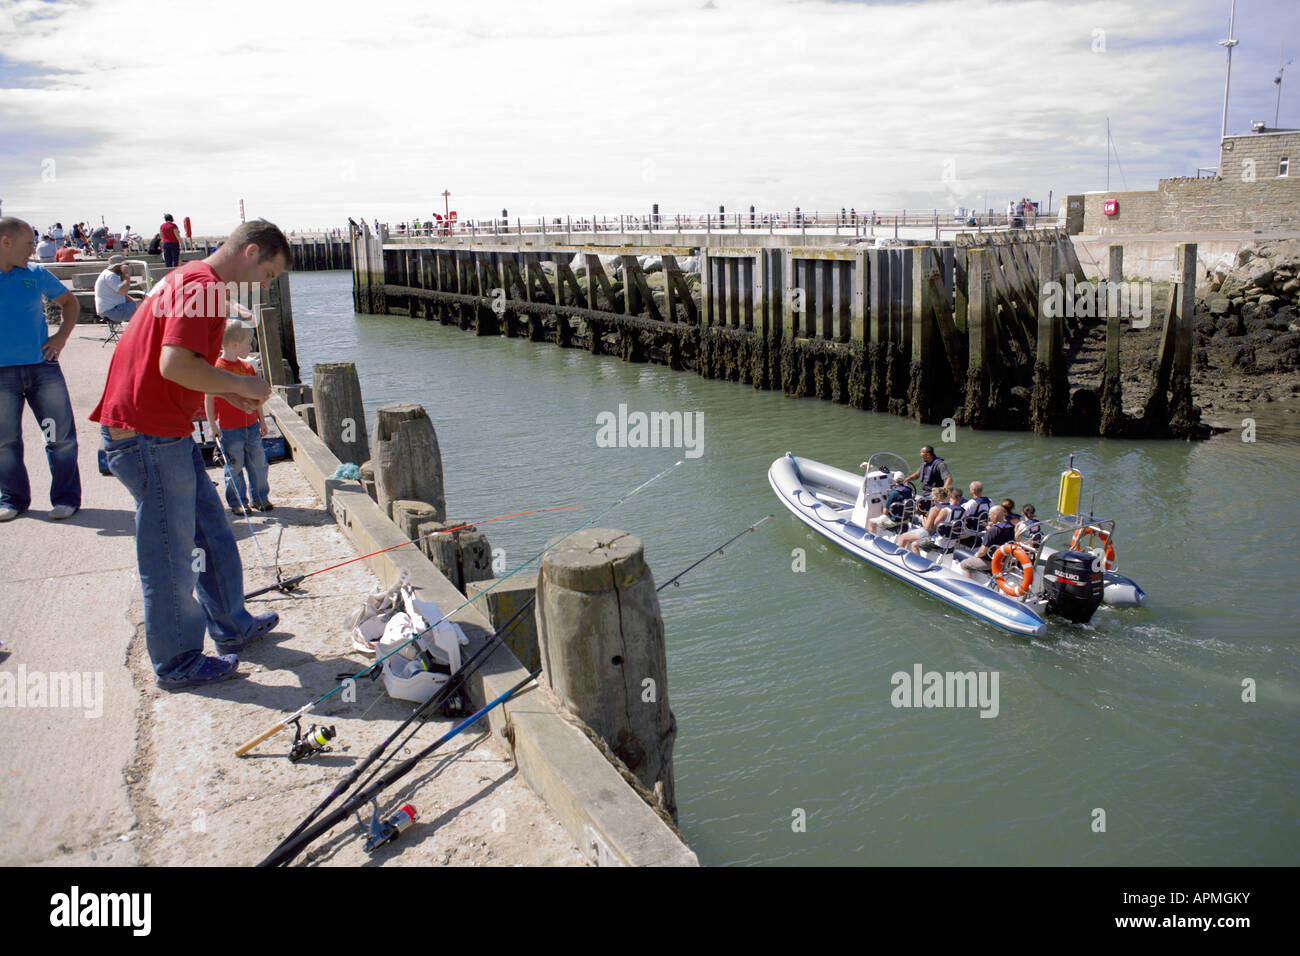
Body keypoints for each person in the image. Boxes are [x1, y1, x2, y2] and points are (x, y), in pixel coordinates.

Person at [91, 219, 290, 689]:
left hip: (162, 431)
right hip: (145, 435)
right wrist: (241, 382)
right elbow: (174, 363)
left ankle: (231, 624)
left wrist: (231, 394)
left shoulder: (189, 279)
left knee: (212, 531)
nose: (264, 286)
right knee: (170, 551)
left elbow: (186, 367)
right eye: (268, 275)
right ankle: (177, 660)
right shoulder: (204, 288)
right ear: (251, 252)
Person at [0, 217, 82, 522]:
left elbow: (69, 303)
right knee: (4, 441)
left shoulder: (36, 273)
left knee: (60, 436)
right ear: (5, 242)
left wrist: (61, 337)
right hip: (1, 374)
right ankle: (13, 499)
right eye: (27, 244)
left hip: (42, 369)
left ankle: (66, 499)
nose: (33, 250)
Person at [204, 321, 272, 515]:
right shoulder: (217, 368)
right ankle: (238, 501)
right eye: (248, 343)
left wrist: (262, 420)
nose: (251, 347)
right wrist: (212, 425)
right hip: (229, 428)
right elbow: (208, 398)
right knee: (234, 465)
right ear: (234, 344)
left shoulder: (247, 367)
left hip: (251, 426)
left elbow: (256, 398)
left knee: (258, 462)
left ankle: (260, 498)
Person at [898, 488, 964, 555]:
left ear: (937, 497)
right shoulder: (956, 509)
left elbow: (929, 528)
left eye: (933, 496)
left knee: (904, 537)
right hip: (948, 539)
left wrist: (922, 520)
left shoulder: (936, 509)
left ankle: (902, 557)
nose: (932, 498)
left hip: (933, 536)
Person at [959, 505, 1015, 578]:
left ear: (995, 516)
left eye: (990, 515)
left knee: (964, 565)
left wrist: (976, 555)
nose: (989, 517)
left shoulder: (993, 530)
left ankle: (968, 585)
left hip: (990, 562)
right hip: (1004, 560)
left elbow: (982, 552)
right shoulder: (1011, 527)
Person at [94, 255, 137, 323]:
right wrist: (127, 275)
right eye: (124, 266)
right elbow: (123, 291)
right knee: (145, 308)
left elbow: (121, 294)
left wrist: (135, 301)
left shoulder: (109, 274)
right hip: (112, 311)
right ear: (117, 266)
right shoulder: (110, 275)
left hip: (110, 310)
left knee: (142, 304)